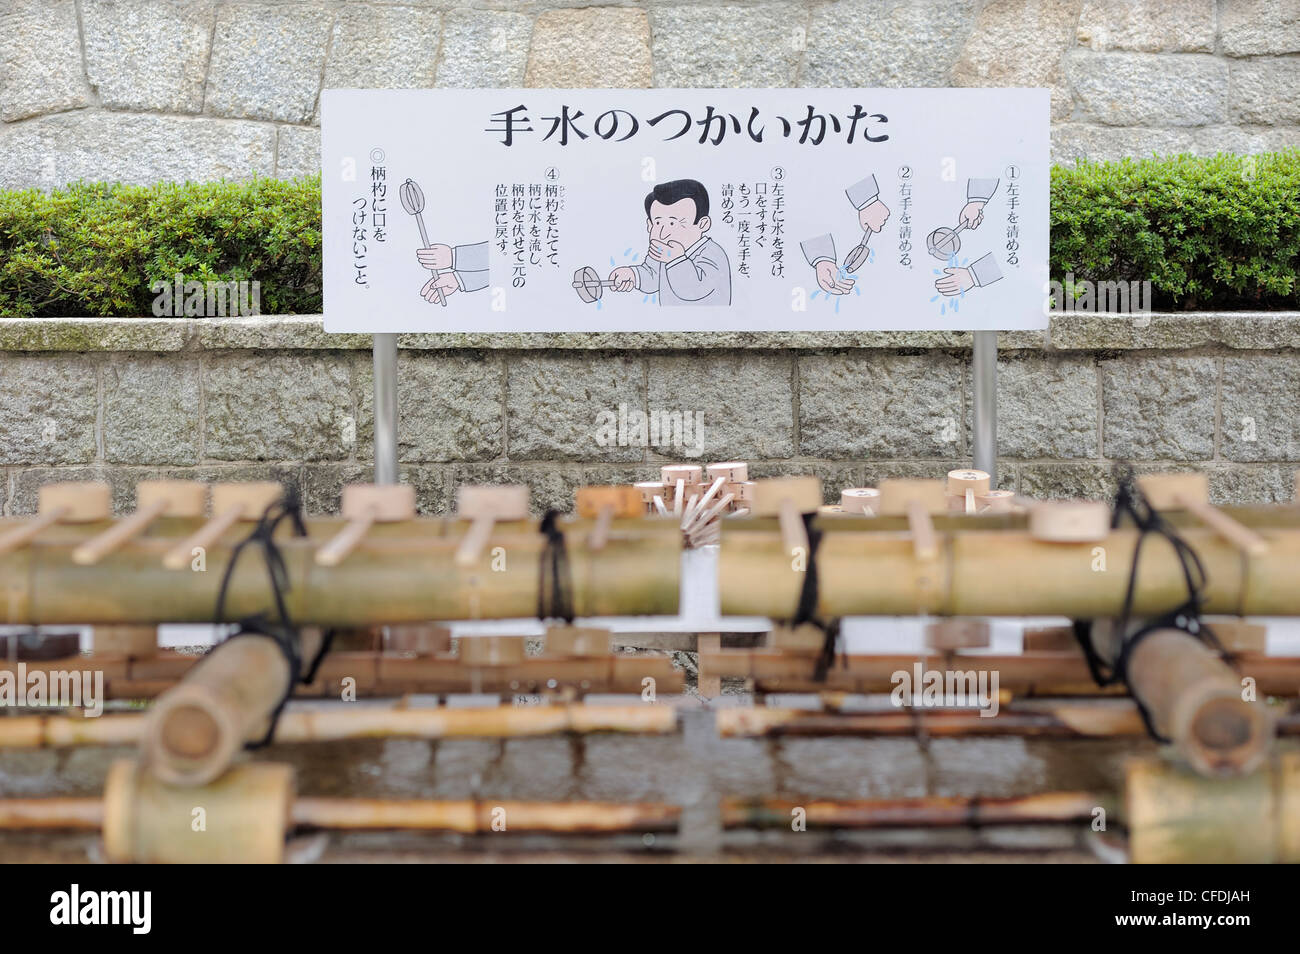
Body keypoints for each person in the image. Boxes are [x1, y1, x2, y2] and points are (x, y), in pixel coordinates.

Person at [608, 179, 731, 306]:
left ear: (702, 224)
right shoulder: (665, 251)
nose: (663, 233)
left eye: (673, 223)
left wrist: (676, 260)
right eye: (658, 222)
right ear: (649, 225)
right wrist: (632, 275)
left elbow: (694, 289)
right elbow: (652, 276)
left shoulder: (712, 253)